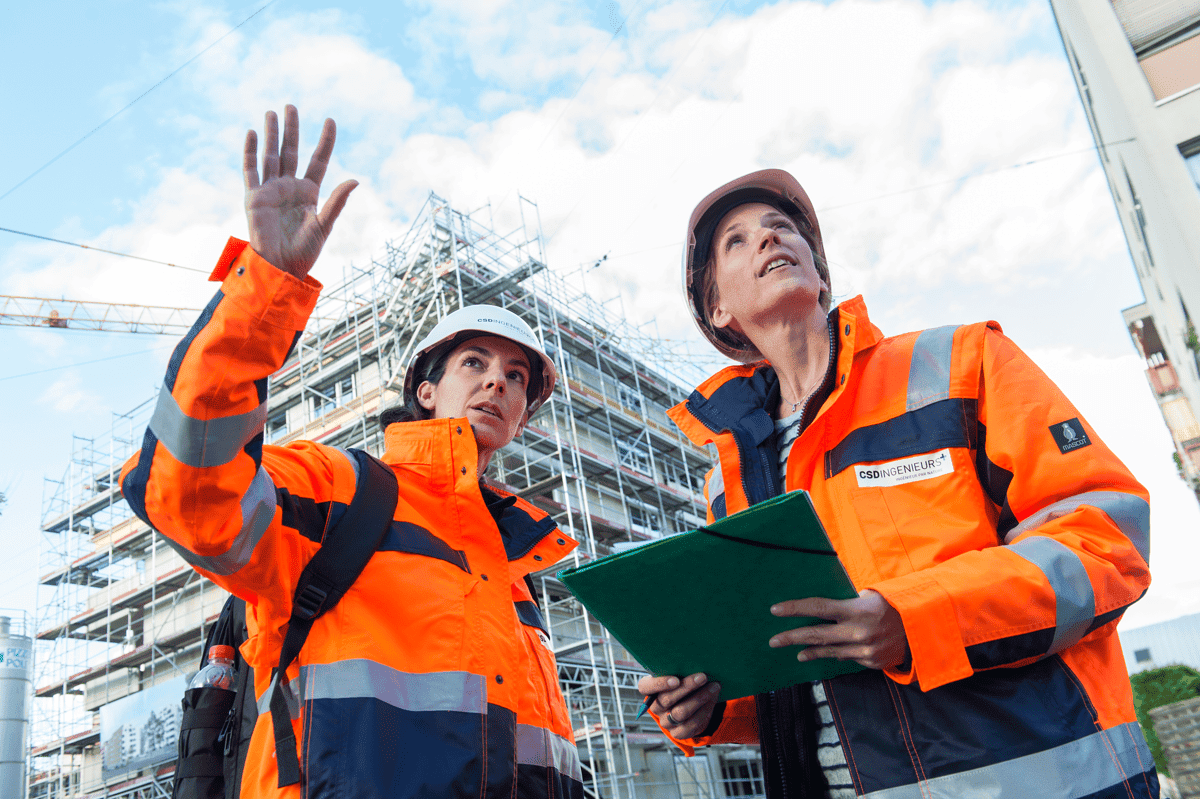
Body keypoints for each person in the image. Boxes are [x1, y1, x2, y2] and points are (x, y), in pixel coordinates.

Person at [637, 169, 1158, 798]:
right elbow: (794, 668)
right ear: (719, 309)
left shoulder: (962, 363)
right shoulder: (728, 479)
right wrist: (714, 707)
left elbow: (1105, 545)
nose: (770, 239)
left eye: (781, 227)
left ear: (819, 273)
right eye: (737, 241)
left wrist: (914, 619)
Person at [119, 105, 584, 799]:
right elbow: (189, 491)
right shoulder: (343, 491)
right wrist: (265, 287)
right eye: (475, 363)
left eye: (517, 377)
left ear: (521, 416)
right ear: (425, 390)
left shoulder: (514, 573)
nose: (497, 382)